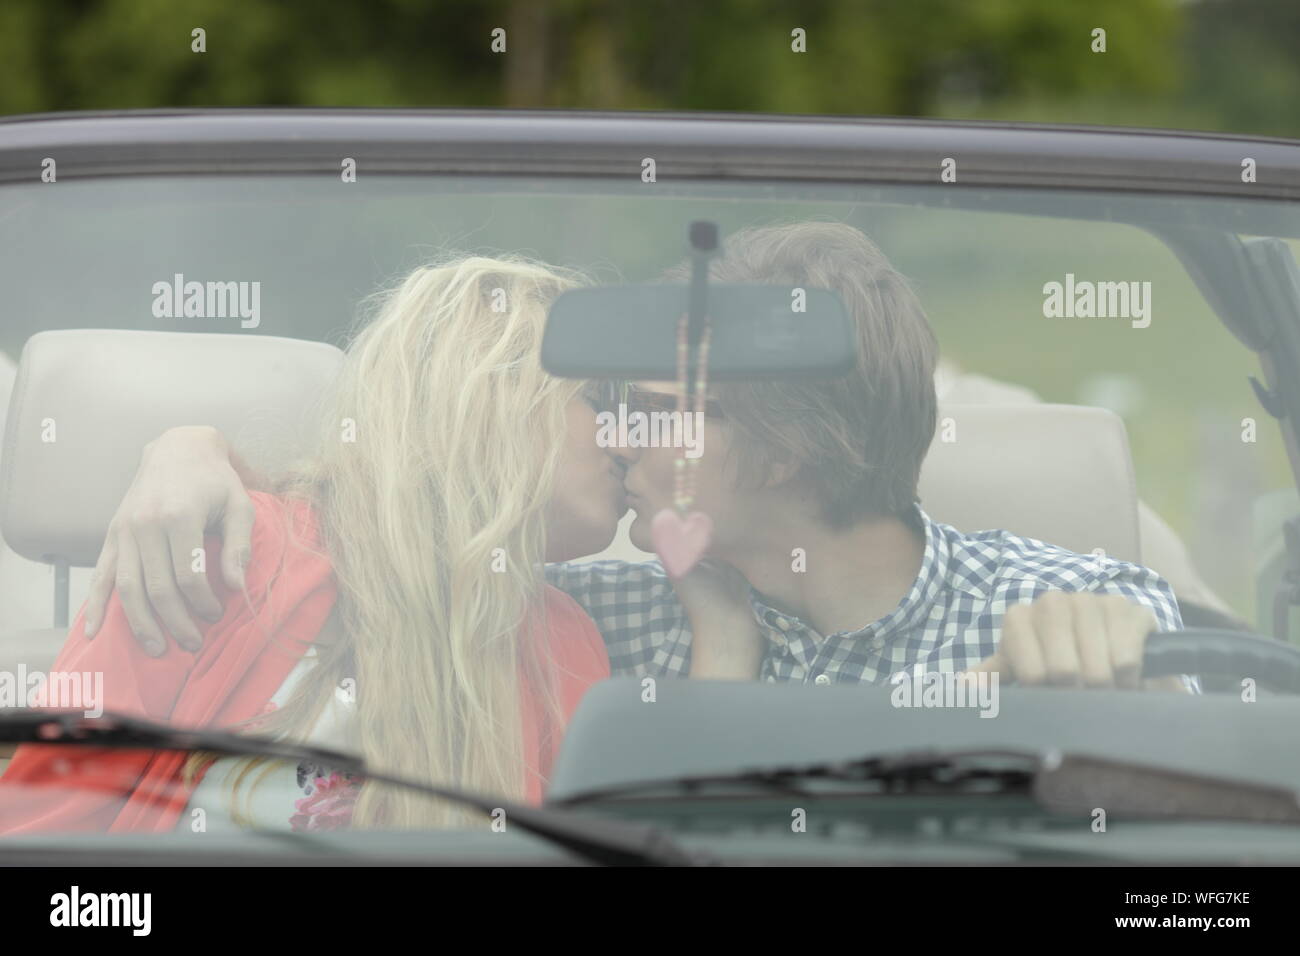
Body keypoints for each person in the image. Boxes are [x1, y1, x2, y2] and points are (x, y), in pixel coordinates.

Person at [79, 222, 1191, 693]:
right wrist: (198, 448)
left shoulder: (1061, 604)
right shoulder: (584, 613)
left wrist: (1111, 691)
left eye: (656, 409)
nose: (615, 434)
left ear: (788, 450)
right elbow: (390, 544)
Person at [0, 256, 625, 835]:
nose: (626, 438)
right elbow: (42, 846)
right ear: (501, 400)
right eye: (600, 400)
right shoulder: (216, 560)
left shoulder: (566, 640)